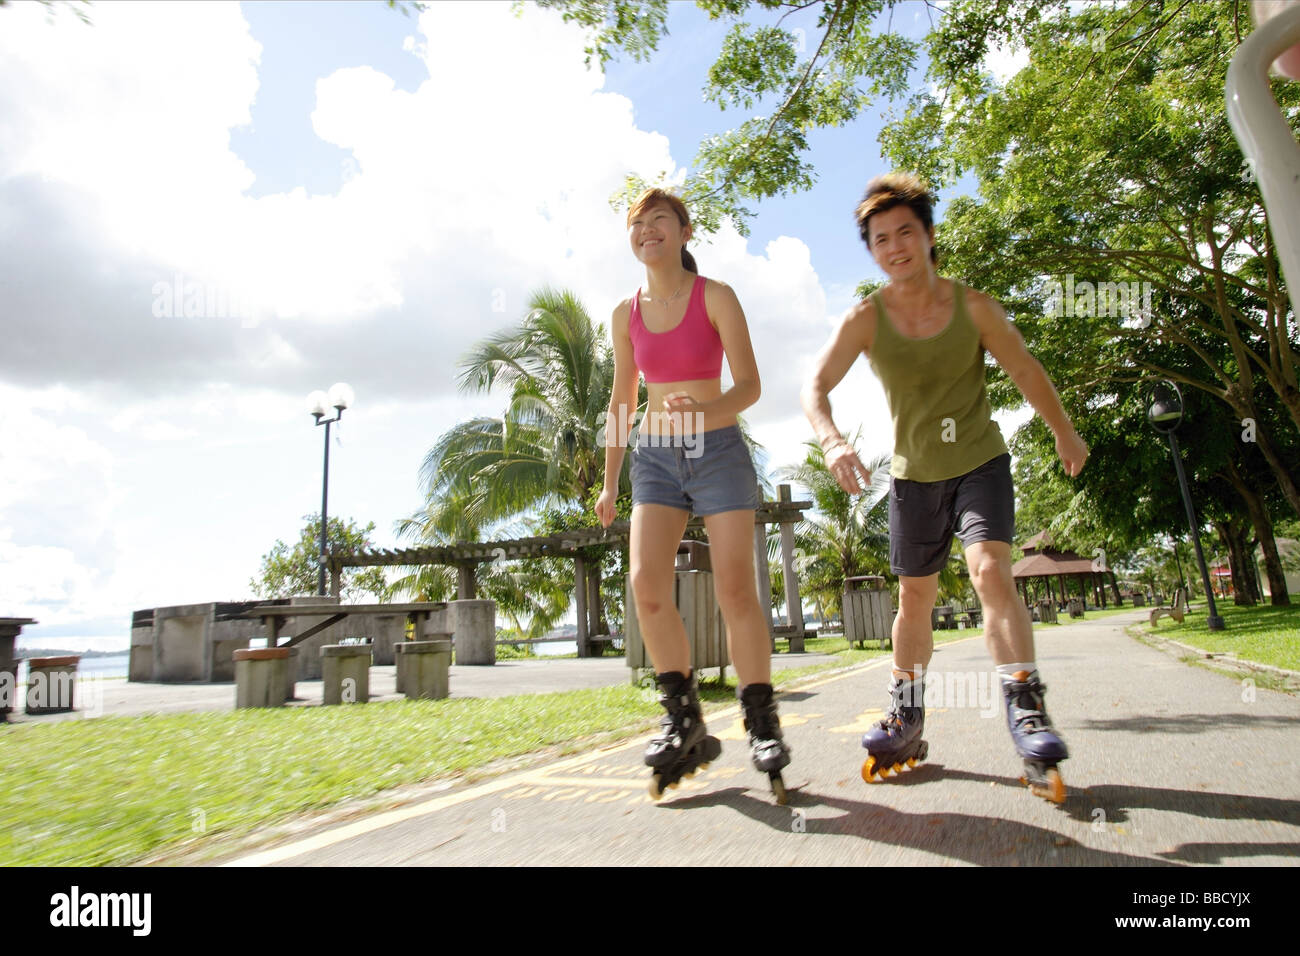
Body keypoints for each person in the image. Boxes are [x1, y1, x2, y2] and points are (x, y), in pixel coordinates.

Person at [800, 173, 1089, 804]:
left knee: (990, 572)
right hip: (912, 476)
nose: (895, 245)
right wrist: (831, 441)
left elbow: (1025, 370)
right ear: (872, 251)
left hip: (980, 463)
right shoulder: (866, 320)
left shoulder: (975, 307)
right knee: (915, 598)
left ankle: (1026, 703)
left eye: (906, 231)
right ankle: (906, 712)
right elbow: (813, 387)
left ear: (929, 237)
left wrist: (1064, 432)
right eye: (881, 239)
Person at [595, 187, 791, 803]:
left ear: (683, 232)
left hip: (718, 450)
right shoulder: (623, 313)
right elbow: (623, 399)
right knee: (646, 587)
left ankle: (760, 720)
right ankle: (683, 716)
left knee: (736, 588)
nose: (647, 231)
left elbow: (751, 385)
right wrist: (608, 480)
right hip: (654, 456)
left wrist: (705, 412)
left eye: (659, 222)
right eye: (638, 224)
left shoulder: (717, 297)